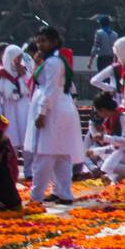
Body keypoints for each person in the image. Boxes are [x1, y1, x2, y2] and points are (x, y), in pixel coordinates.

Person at [24, 27, 85, 205]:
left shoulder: (53, 62)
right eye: (38, 41)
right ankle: (63, 192)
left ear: (54, 42)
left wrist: (42, 112)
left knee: (45, 153)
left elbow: (50, 89)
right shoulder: (52, 60)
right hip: (59, 107)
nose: (40, 44)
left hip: (53, 109)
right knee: (61, 154)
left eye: (43, 41)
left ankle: (36, 196)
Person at [0, 45, 32, 170]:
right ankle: (12, 168)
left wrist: (24, 75)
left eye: (21, 57)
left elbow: (31, 87)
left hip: (24, 105)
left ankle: (28, 169)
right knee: (11, 139)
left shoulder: (25, 69)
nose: (20, 59)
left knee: (26, 138)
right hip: (9, 107)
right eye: (17, 57)